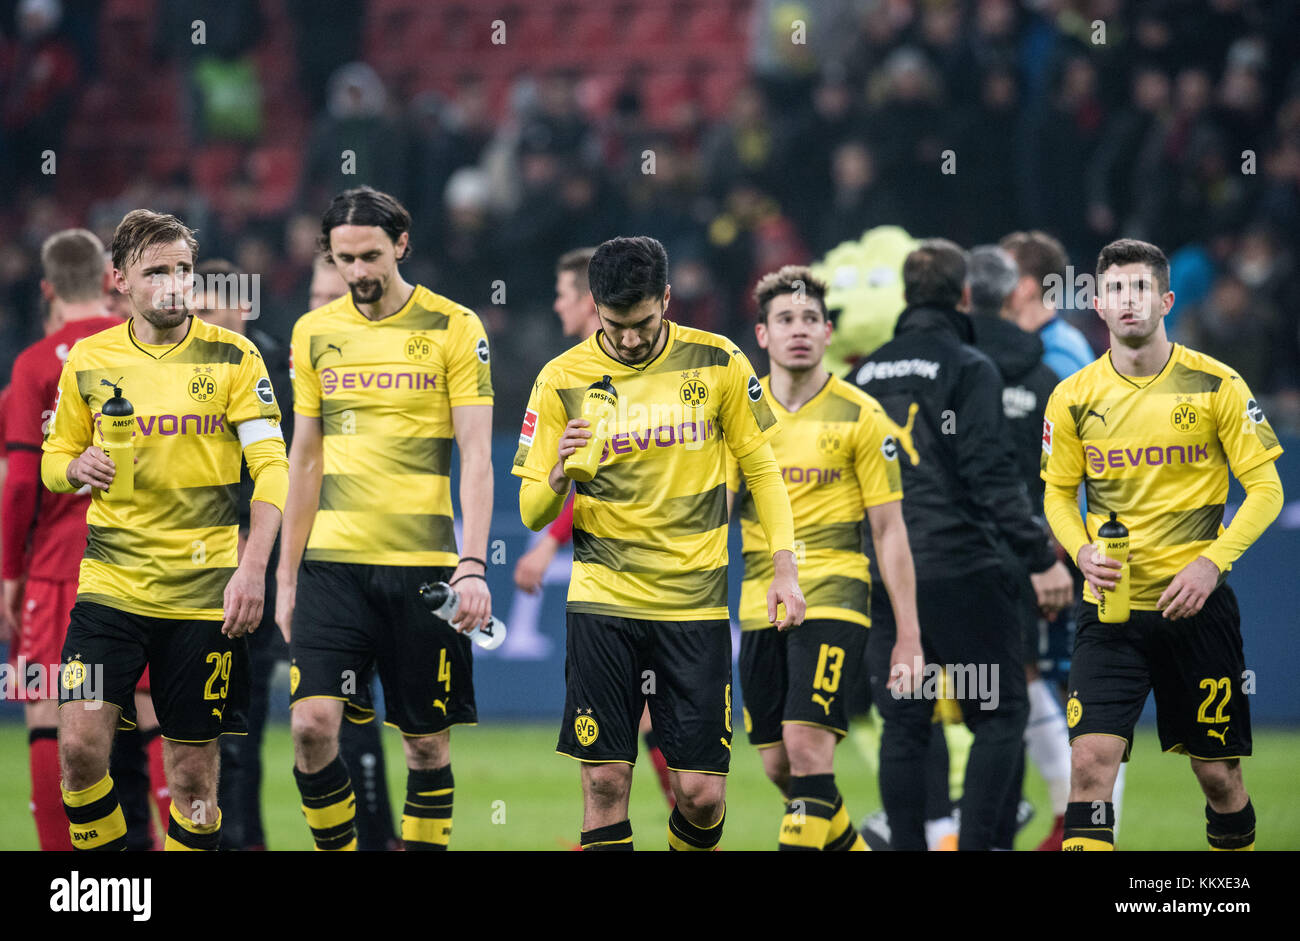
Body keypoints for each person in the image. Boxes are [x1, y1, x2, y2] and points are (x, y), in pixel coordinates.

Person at [513, 235, 805, 851]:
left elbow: (763, 472)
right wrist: (560, 473)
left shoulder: (720, 362)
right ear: (596, 307)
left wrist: (785, 568)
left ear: (667, 300)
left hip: (693, 606)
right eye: (616, 324)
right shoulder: (560, 379)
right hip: (603, 602)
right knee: (605, 782)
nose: (630, 339)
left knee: (700, 797)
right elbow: (533, 512)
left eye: (643, 322)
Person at [41, 209, 288, 851]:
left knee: (194, 783)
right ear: (118, 278)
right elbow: (50, 460)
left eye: (183, 270)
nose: (175, 284)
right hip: (109, 590)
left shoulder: (234, 356)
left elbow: (271, 468)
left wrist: (252, 567)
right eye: (157, 272)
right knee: (79, 751)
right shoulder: (90, 360)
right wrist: (73, 466)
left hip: (204, 594)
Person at [1042, 239, 1283, 851]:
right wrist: (1079, 552)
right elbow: (1057, 496)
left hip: (1196, 612)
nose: (1129, 301)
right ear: (1098, 304)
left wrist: (1212, 563)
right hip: (1112, 613)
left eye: (1141, 288)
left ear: (1166, 300)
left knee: (1218, 775)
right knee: (1091, 764)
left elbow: (1266, 490)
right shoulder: (1073, 398)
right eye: (1117, 290)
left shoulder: (1215, 384)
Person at [277, 186, 494, 852]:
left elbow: (478, 455)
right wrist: (285, 579)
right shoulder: (314, 333)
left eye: (370, 255)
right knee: (313, 726)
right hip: (332, 566)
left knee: (425, 745)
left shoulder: (455, 327)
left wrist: (474, 566)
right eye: (344, 259)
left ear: (401, 245)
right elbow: (304, 458)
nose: (358, 271)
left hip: (423, 567)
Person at [852, 238, 1073, 851]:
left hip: (886, 582)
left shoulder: (862, 374)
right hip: (965, 578)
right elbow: (991, 476)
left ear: (904, 297)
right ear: (966, 296)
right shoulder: (971, 367)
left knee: (904, 726)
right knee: (1000, 715)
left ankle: (912, 846)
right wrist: (1039, 557)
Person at [730, 265, 921, 850]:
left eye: (810, 319)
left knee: (808, 746)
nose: (799, 330)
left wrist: (908, 636)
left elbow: (889, 532)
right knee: (780, 767)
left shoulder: (863, 417)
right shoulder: (738, 416)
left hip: (835, 594)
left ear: (829, 332)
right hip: (760, 603)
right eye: (784, 320)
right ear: (762, 335)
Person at [508, 246, 677, 807]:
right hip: (613, 580)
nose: (557, 307)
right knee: (631, 728)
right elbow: (569, 479)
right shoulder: (571, 375)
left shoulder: (645, 373)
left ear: (588, 301)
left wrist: (544, 547)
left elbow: (623, 480)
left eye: (562, 294)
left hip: (663, 569)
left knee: (648, 720)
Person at [2, 230, 124, 850]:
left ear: (47, 288)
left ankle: (69, 879)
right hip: (139, 565)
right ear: (109, 279)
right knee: (152, 722)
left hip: (53, 572)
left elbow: (20, 483)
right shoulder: (143, 349)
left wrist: (8, 573)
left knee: (52, 726)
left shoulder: (31, 366)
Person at [967, 245, 1074, 850]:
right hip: (1037, 552)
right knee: (1021, 683)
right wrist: (1051, 549)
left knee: (1011, 688)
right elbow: (1065, 473)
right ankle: (1062, 815)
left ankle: (1071, 815)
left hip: (991, 557)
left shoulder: (964, 366)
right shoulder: (1051, 369)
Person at [1000, 230, 1095, 382]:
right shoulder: (1015, 341)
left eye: (1002, 276)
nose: (993, 286)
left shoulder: (1063, 356)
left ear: (1026, 287)